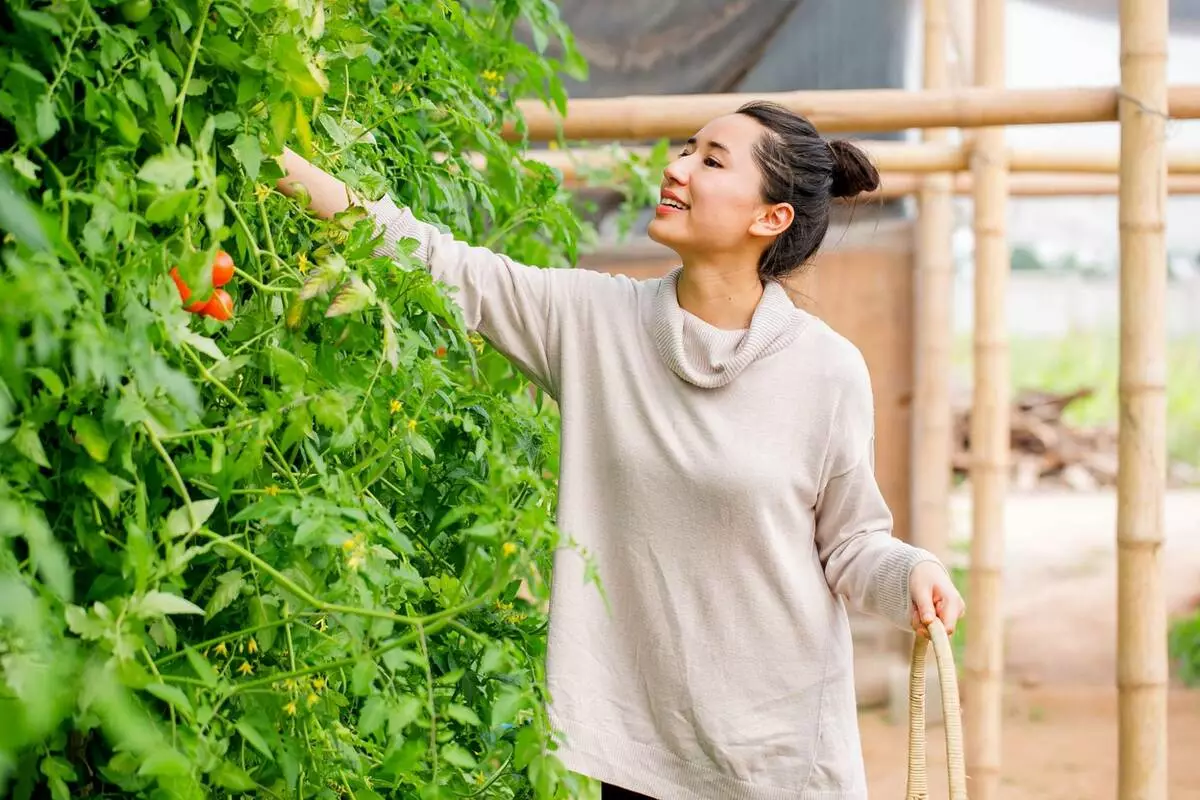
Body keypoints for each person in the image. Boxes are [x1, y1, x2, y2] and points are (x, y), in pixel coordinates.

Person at [275, 100, 965, 800]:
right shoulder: (592, 322)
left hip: (781, 760)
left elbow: (851, 543)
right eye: (686, 149)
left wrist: (909, 571)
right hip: (641, 755)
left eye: (711, 160)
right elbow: (435, 260)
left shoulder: (826, 369)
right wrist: (268, 158)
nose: (676, 168)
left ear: (770, 218)